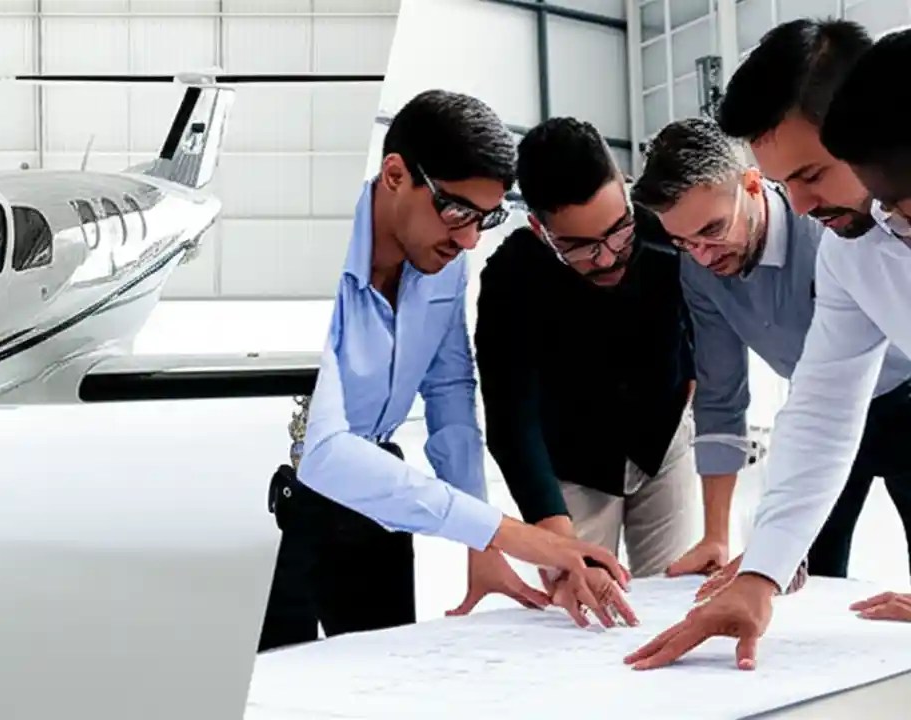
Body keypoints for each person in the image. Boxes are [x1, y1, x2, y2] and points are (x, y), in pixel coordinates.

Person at [257, 90, 631, 653]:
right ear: (395, 174)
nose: (469, 240)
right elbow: (324, 451)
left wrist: (482, 547)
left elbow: (450, 393)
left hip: (380, 505)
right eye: (457, 211)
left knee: (387, 674)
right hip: (285, 502)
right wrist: (513, 534)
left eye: (486, 219)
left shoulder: (444, 264)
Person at [626, 20, 911, 672]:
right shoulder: (850, 251)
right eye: (787, 182)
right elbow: (821, 408)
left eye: (812, 173)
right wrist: (759, 573)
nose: (803, 204)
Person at [472, 116, 696, 627]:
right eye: (583, 248)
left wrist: (690, 384)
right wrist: (558, 541)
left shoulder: (665, 232)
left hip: (664, 441)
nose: (610, 255)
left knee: (676, 597)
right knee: (585, 611)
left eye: (619, 230)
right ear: (540, 229)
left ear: (625, 187)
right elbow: (511, 419)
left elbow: (705, 326)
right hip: (573, 465)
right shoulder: (510, 279)